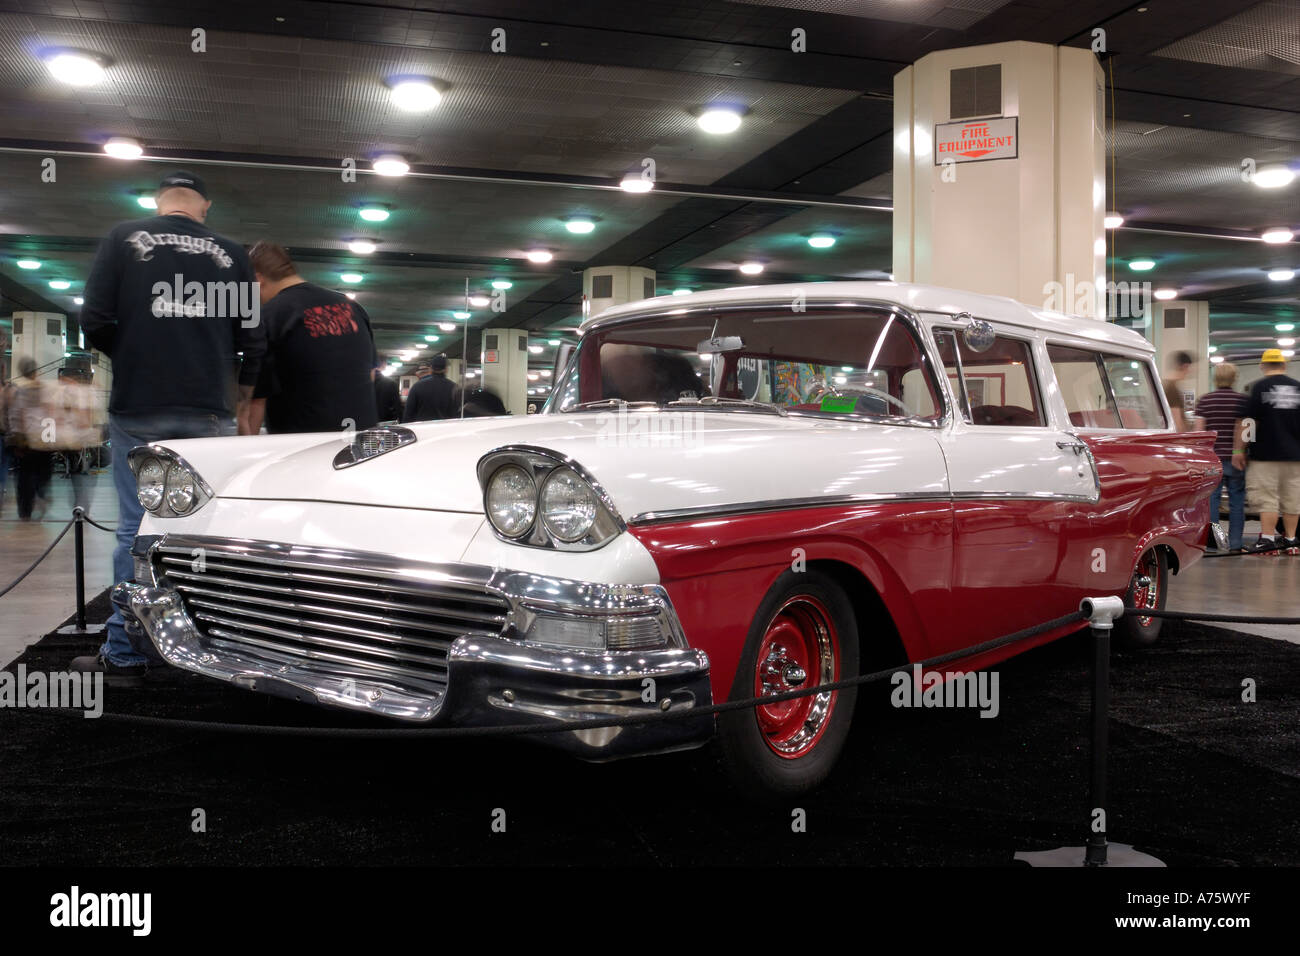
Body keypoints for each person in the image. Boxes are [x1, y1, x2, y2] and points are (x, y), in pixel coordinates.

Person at [73, 169, 266, 680]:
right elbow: (253, 337)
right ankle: (211, 651)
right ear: (205, 205)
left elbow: (92, 320)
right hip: (209, 408)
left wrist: (134, 355)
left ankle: (126, 652)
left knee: (137, 528)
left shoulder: (123, 237)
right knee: (205, 530)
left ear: (160, 202)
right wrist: (238, 394)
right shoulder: (232, 252)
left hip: (140, 404)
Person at [241, 242, 378, 435]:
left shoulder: (270, 315)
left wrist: (245, 447)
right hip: (362, 441)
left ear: (257, 280)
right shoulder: (352, 307)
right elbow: (370, 375)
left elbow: (255, 402)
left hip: (302, 444)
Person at [1234, 348, 1300, 554]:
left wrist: (1239, 450)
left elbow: (1248, 422)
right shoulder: (1298, 388)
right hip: (1295, 456)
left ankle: (1268, 540)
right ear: (1284, 365)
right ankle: (1291, 541)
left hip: (1266, 455)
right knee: (1293, 498)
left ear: (1262, 366)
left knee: (1267, 498)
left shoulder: (1258, 387)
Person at [1194, 362, 1247, 551]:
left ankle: (1213, 543)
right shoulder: (1242, 401)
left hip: (1212, 459)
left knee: (1212, 502)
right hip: (1235, 458)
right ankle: (1235, 543)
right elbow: (1246, 430)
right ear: (1234, 378)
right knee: (1237, 501)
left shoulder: (1205, 401)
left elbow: (1199, 431)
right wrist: (1239, 452)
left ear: (1215, 378)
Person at [5, 357, 54, 520]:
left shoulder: (22, 392)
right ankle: (39, 496)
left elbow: (15, 416)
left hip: (27, 441)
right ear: (35, 371)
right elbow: (51, 415)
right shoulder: (44, 391)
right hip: (42, 440)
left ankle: (25, 510)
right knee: (41, 474)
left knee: (25, 476)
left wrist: (17, 438)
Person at [402, 355, 459, 421]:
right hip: (445, 428)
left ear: (431, 368)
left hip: (422, 428)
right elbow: (457, 413)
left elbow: (408, 413)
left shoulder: (417, 386)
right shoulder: (454, 387)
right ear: (446, 369)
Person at [1162, 350, 1194, 432]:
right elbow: (1176, 421)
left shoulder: (1169, 385)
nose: (1189, 371)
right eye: (1188, 368)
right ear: (1184, 366)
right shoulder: (1172, 389)